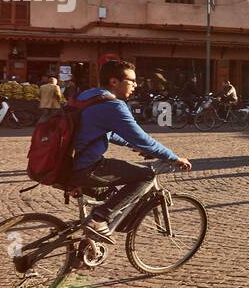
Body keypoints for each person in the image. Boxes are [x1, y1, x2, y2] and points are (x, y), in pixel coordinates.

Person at [70, 59, 192, 243]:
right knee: (146, 175)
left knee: (112, 195)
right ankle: (98, 219)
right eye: (132, 80)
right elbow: (143, 139)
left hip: (66, 164)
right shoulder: (114, 105)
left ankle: (86, 251)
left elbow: (106, 133)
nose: (136, 85)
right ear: (114, 81)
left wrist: (131, 145)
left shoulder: (88, 96)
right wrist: (174, 158)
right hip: (86, 167)